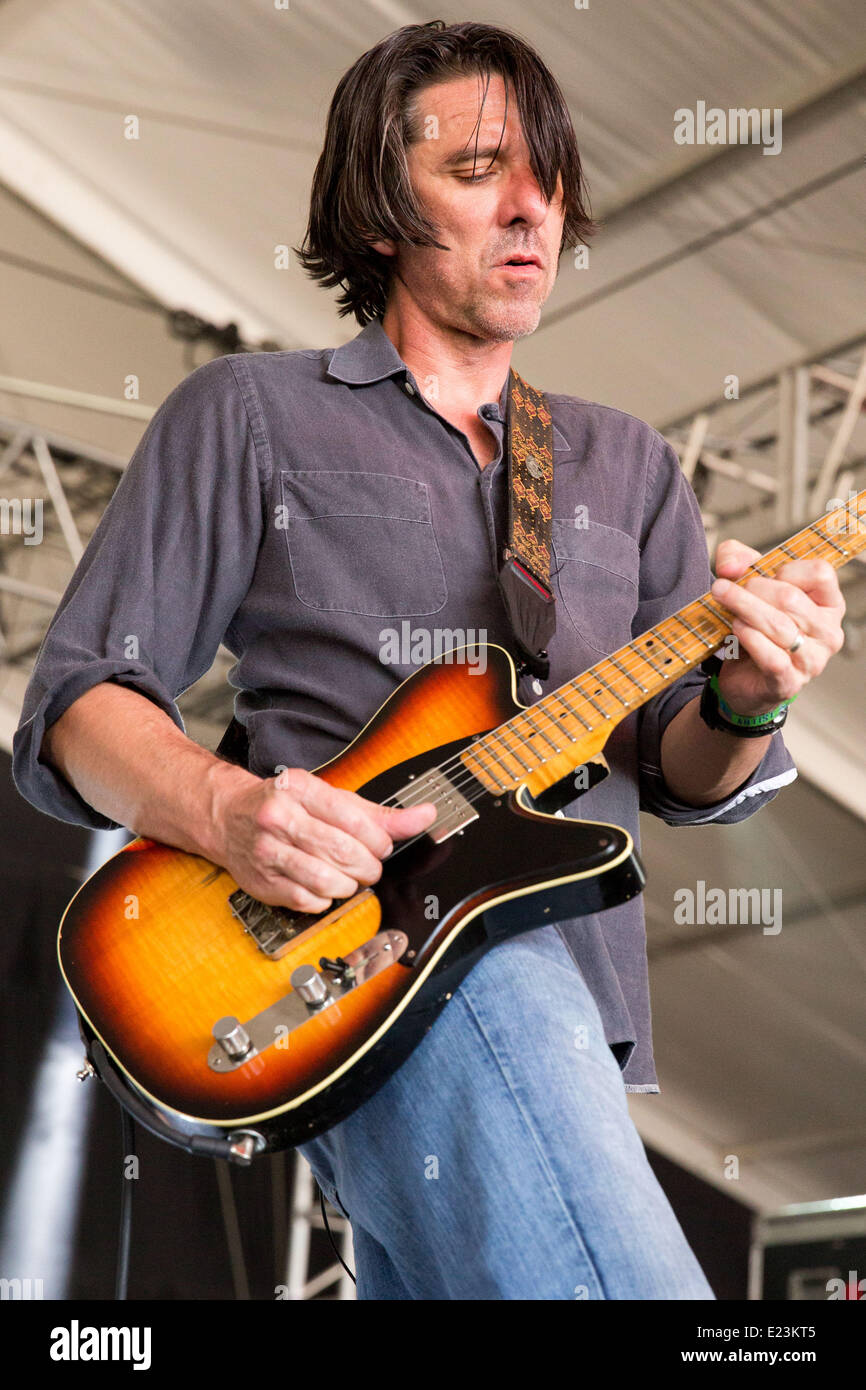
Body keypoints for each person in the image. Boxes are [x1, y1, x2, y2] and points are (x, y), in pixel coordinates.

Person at [13, 21, 845, 1300]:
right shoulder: (251, 415)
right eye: (475, 170)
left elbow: (683, 764)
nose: (530, 208)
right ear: (381, 204)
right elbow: (77, 701)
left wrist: (750, 695)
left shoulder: (621, 462)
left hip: (568, 1000)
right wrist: (234, 812)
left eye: (548, 176)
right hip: (375, 971)